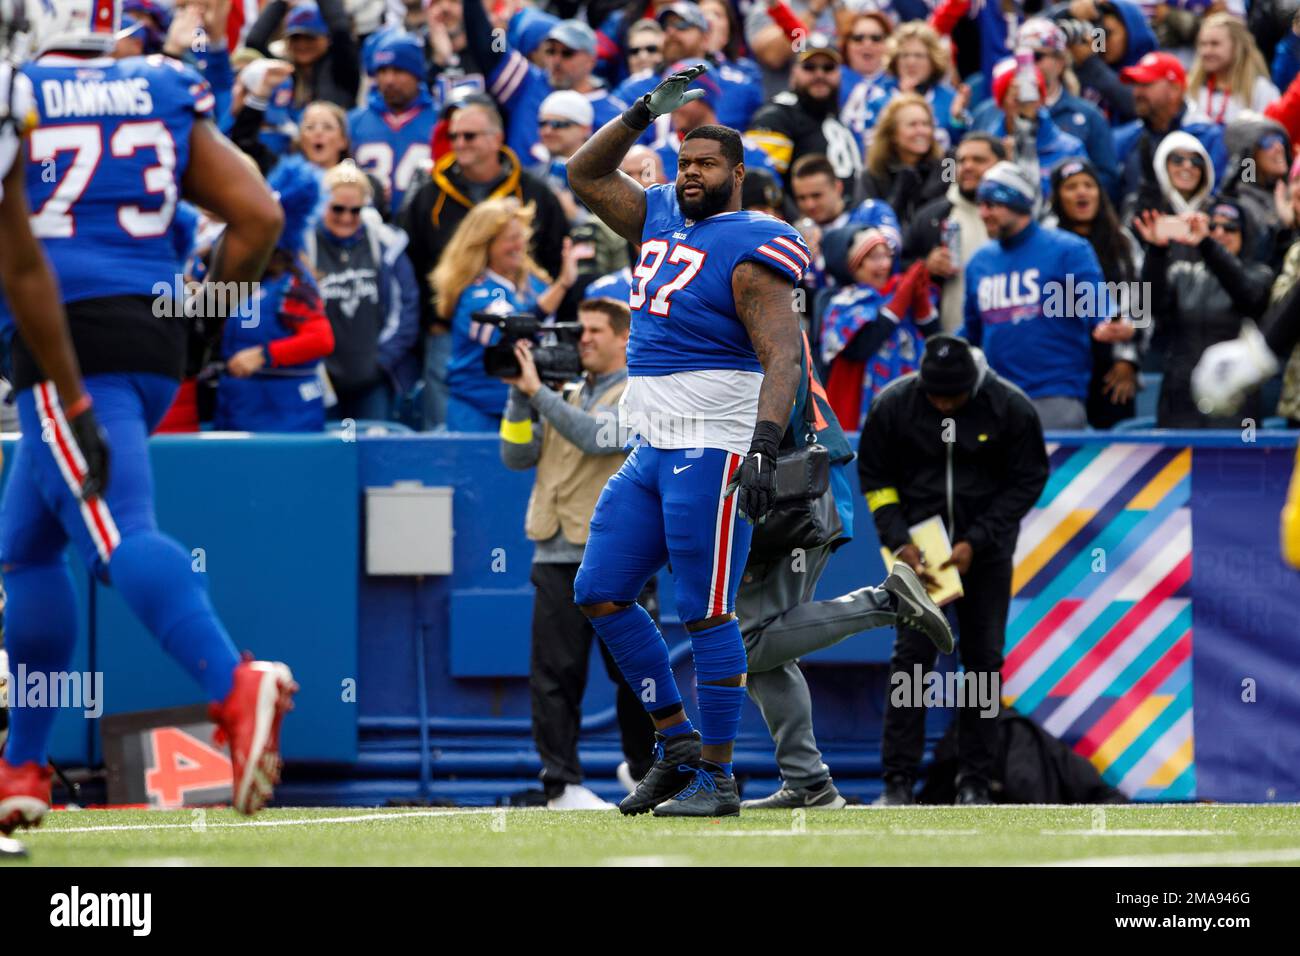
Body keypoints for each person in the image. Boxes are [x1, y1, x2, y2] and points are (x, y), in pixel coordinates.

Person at [566, 65, 948, 817]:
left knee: (712, 615)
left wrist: (764, 450)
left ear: (739, 173)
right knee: (601, 592)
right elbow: (584, 170)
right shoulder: (654, 216)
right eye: (684, 162)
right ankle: (676, 748)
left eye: (707, 164)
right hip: (654, 446)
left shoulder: (757, 240)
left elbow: (784, 356)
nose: (691, 174)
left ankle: (718, 775)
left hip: (718, 448)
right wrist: (643, 110)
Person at [0, 0, 295, 834]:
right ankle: (21, 767)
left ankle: (235, 687)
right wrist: (204, 315)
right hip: (154, 339)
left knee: (117, 529)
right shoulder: (157, 84)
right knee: (24, 550)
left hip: (64, 344)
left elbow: (23, 266)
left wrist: (66, 384)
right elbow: (261, 217)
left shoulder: (16, 94)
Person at [740, 330, 953, 811]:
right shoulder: (765, 310)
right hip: (805, 487)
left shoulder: (747, 314)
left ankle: (885, 602)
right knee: (767, 652)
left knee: (745, 643)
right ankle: (808, 781)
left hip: (791, 496)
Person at [860, 334, 1050, 805]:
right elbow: (876, 478)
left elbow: (1028, 480)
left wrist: (979, 539)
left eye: (954, 398)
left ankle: (975, 783)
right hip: (919, 563)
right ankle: (898, 782)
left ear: (974, 384)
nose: (943, 405)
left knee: (982, 665)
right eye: (934, 396)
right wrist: (897, 539)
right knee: (911, 663)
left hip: (984, 558)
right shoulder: (893, 405)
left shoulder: (1011, 408)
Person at [499, 297, 657, 810]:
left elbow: (597, 437)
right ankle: (561, 784)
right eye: (580, 330)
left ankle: (644, 770)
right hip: (554, 551)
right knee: (554, 677)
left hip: (618, 554)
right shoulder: (562, 391)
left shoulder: (642, 392)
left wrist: (539, 394)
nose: (582, 338)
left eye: (593, 330)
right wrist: (520, 399)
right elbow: (515, 454)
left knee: (636, 674)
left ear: (622, 338)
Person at [401, 98, 569, 429]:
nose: (459, 144)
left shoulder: (534, 192)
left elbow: (552, 251)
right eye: (454, 136)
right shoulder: (428, 194)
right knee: (452, 439)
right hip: (449, 335)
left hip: (520, 370)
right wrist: (431, 319)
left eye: (470, 136)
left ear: (496, 138)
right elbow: (411, 267)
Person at [962, 162, 1125, 430]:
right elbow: (971, 332)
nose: (983, 213)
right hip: (993, 399)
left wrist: (1113, 321)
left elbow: (1098, 300)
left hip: (1053, 396)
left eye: (991, 204)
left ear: (1016, 203)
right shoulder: (979, 261)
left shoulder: (1067, 250)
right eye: (980, 205)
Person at [434, 197, 580, 432]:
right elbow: (514, 328)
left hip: (528, 405)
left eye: (521, 236)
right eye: (510, 239)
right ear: (486, 244)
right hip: (477, 412)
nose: (519, 246)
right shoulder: (475, 293)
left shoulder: (537, 285)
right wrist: (562, 284)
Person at [214, 159, 335, 432]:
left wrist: (264, 355)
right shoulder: (238, 276)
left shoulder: (291, 282)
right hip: (239, 409)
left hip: (283, 417)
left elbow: (321, 339)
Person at [1135, 201, 1273, 428]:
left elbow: (1249, 297)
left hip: (1235, 398)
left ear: (1245, 236)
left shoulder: (1260, 274)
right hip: (1179, 399)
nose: (1220, 233)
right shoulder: (1182, 274)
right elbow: (1149, 306)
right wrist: (1157, 251)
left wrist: (1207, 245)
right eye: (1213, 227)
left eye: (1230, 228)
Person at [305, 161, 420, 422]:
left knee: (370, 455)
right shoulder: (304, 245)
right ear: (322, 204)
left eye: (355, 211)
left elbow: (406, 308)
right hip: (320, 376)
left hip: (372, 379)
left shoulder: (385, 243)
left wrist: (382, 360)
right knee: (328, 454)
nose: (346, 217)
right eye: (338, 209)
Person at [972, 18, 1120, 200]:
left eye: (1036, 57)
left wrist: (1062, 188)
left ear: (1060, 62)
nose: (1027, 65)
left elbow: (1108, 179)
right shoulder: (987, 113)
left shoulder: (1088, 116)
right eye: (1020, 57)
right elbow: (959, 168)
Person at [1048, 158, 1144, 430]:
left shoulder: (1123, 241)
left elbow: (1139, 303)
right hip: (1059, 368)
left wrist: (1128, 359)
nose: (1081, 192)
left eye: (1089, 185)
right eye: (1071, 187)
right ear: (1057, 196)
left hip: (1111, 369)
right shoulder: (1047, 243)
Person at [822, 231, 938, 429]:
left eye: (887, 256)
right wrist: (896, 306)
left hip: (908, 400)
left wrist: (921, 306)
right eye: (874, 258)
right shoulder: (843, 302)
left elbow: (936, 343)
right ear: (856, 265)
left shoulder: (903, 292)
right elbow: (859, 349)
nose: (884, 265)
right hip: (856, 405)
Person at [902, 132, 1005, 332]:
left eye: (979, 160)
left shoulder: (1020, 215)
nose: (967, 166)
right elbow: (899, 267)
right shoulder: (933, 216)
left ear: (1003, 164)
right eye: (961, 160)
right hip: (951, 343)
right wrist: (926, 266)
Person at [747, 34, 862, 199]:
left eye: (828, 67)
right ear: (794, 72)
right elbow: (760, 184)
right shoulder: (776, 116)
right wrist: (799, 222)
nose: (820, 74)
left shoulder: (837, 117)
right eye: (809, 67)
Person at [1115, 51, 1227, 209]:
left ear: (1175, 89)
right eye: (1136, 85)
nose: (1137, 92)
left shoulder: (1209, 136)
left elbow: (1214, 196)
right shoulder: (1123, 139)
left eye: (1146, 84)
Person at [970, 57, 1088, 202]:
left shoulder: (1070, 148)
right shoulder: (984, 149)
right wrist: (1003, 164)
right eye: (1017, 99)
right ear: (1002, 102)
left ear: (1041, 100)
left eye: (1031, 97)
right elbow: (974, 197)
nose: (1025, 106)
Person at [348, 32, 437, 215]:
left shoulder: (440, 120)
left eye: (398, 71)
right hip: (367, 228)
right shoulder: (354, 121)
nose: (389, 80)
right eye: (382, 71)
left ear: (417, 74)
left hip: (425, 227)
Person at [245, 0, 359, 111]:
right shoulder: (285, 72)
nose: (302, 44)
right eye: (295, 38)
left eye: (310, 37)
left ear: (327, 38)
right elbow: (254, 44)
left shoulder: (342, 70)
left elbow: (341, 31)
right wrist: (281, 3)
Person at [859, 93, 947, 231]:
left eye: (926, 124)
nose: (922, 131)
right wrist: (900, 190)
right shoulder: (872, 174)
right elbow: (865, 226)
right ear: (893, 134)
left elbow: (951, 208)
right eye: (913, 125)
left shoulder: (946, 165)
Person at [1187, 12, 1279, 127]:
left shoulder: (1261, 89)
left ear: (1237, 46)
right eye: (1202, 44)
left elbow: (1272, 134)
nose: (1206, 51)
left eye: (1215, 44)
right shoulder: (1191, 88)